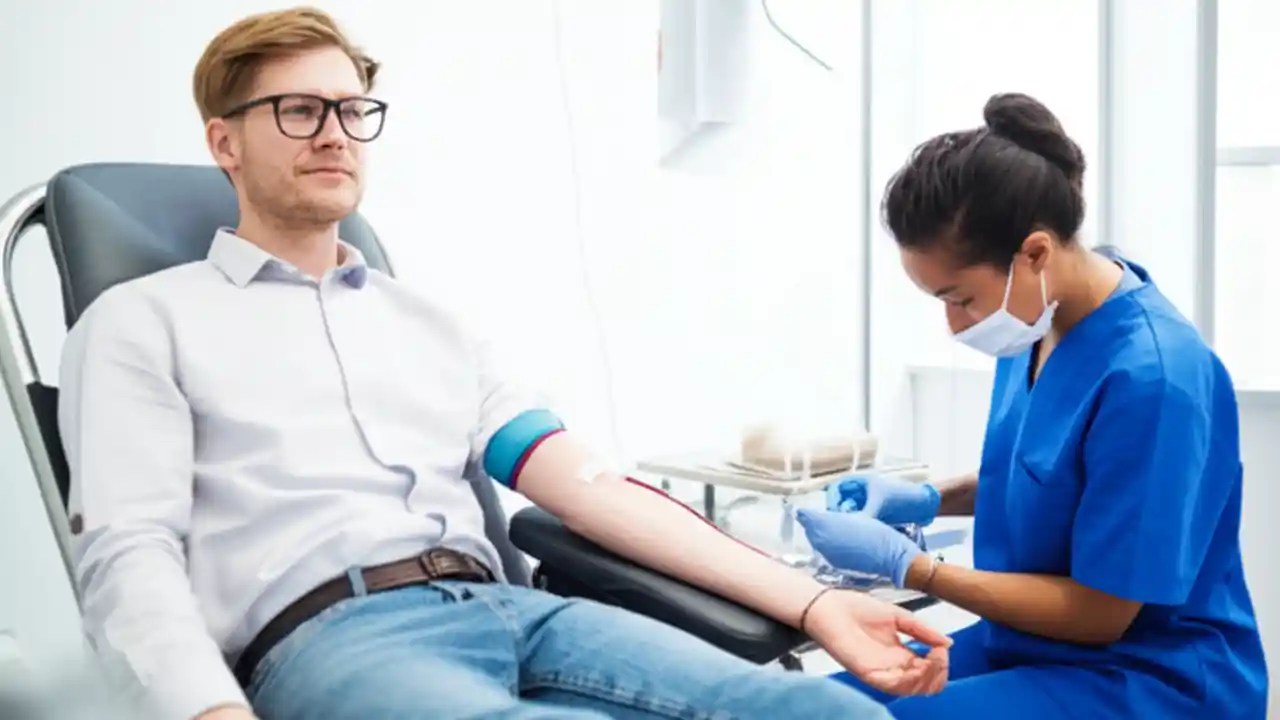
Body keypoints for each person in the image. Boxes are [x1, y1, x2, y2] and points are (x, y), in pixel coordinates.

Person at [57, 7, 951, 720]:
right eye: (299, 111)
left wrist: (813, 603)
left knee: (829, 712)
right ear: (225, 143)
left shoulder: (430, 326)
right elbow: (128, 554)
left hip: (517, 612)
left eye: (352, 110)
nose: (335, 134)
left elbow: (590, 490)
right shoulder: (144, 322)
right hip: (328, 639)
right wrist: (212, 711)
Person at [797, 92, 1269, 718]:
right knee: (797, 705)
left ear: (1036, 253)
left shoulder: (1155, 379)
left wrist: (911, 568)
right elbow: (1043, 474)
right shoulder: (1037, 322)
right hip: (1028, 644)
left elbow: (1102, 614)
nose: (954, 324)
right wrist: (925, 497)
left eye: (960, 298)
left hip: (1147, 675)